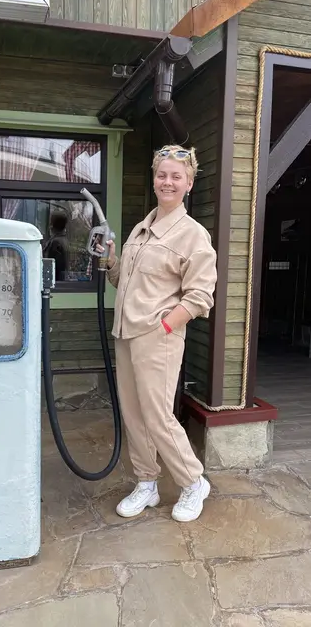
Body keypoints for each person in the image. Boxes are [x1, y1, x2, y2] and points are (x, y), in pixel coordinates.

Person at [97, 145, 217, 523]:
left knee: (157, 416)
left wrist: (165, 325)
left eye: (176, 177)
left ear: (189, 184)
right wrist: (111, 260)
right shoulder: (141, 228)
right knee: (134, 414)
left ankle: (193, 482)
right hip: (126, 334)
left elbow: (201, 296)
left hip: (157, 337)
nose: (168, 182)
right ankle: (147, 482)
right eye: (162, 175)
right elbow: (124, 281)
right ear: (154, 179)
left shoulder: (193, 235)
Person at [44, 213, 69, 282]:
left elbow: (50, 263)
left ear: (52, 226)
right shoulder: (63, 240)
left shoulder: (56, 242)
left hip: (55, 279)